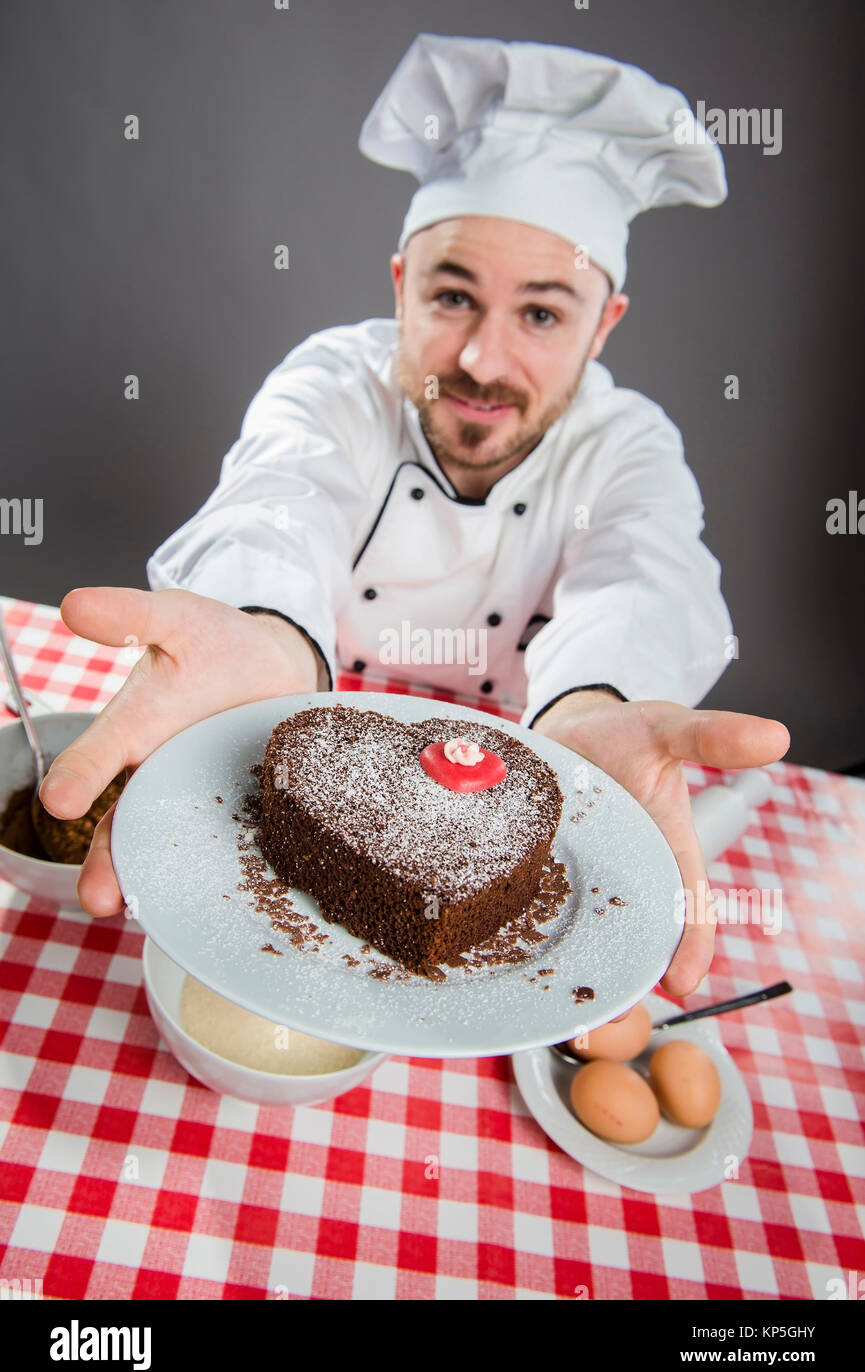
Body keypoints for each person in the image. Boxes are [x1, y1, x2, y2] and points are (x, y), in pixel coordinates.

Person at [39, 36, 790, 996]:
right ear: (400, 286)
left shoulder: (629, 445)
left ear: (605, 324)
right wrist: (262, 628)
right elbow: (278, 502)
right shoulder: (332, 384)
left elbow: (641, 581)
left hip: (506, 807)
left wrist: (596, 710)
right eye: (451, 296)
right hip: (311, 776)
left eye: (543, 315)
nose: (481, 359)